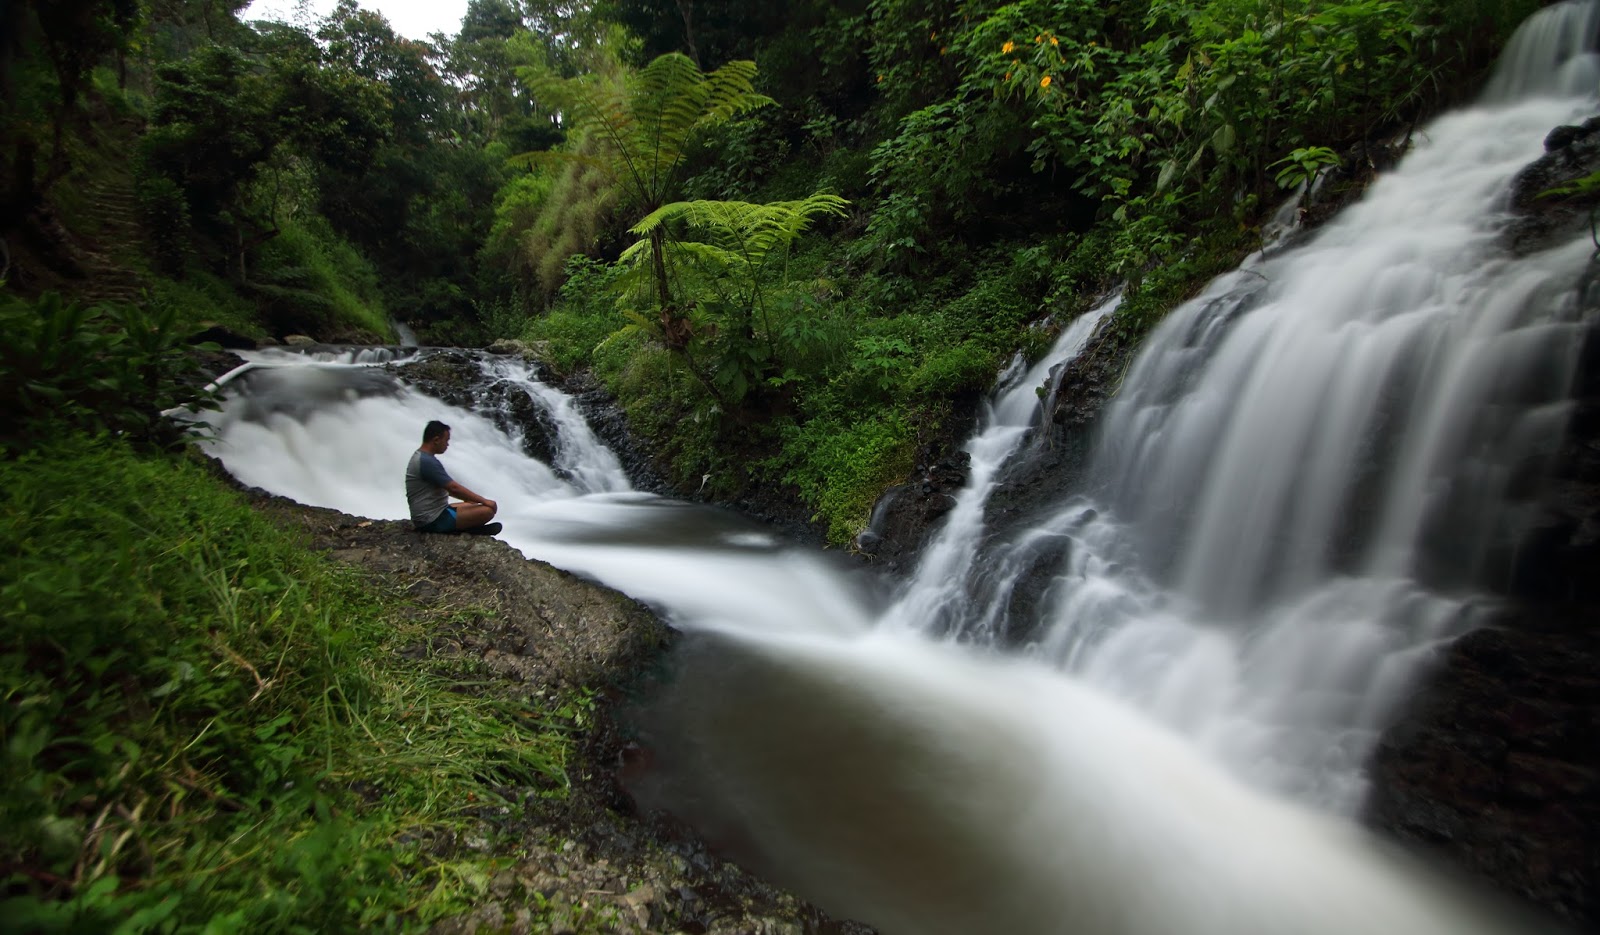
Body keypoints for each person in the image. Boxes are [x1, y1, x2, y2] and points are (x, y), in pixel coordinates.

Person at [406, 420, 498, 533]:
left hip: (430, 513)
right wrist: (485, 501)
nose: (447, 444)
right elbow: (453, 487)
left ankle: (465, 525)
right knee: (487, 511)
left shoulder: (420, 457)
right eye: (446, 440)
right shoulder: (427, 462)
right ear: (436, 440)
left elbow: (447, 488)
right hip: (431, 520)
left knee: (471, 504)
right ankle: (467, 530)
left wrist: (468, 499)